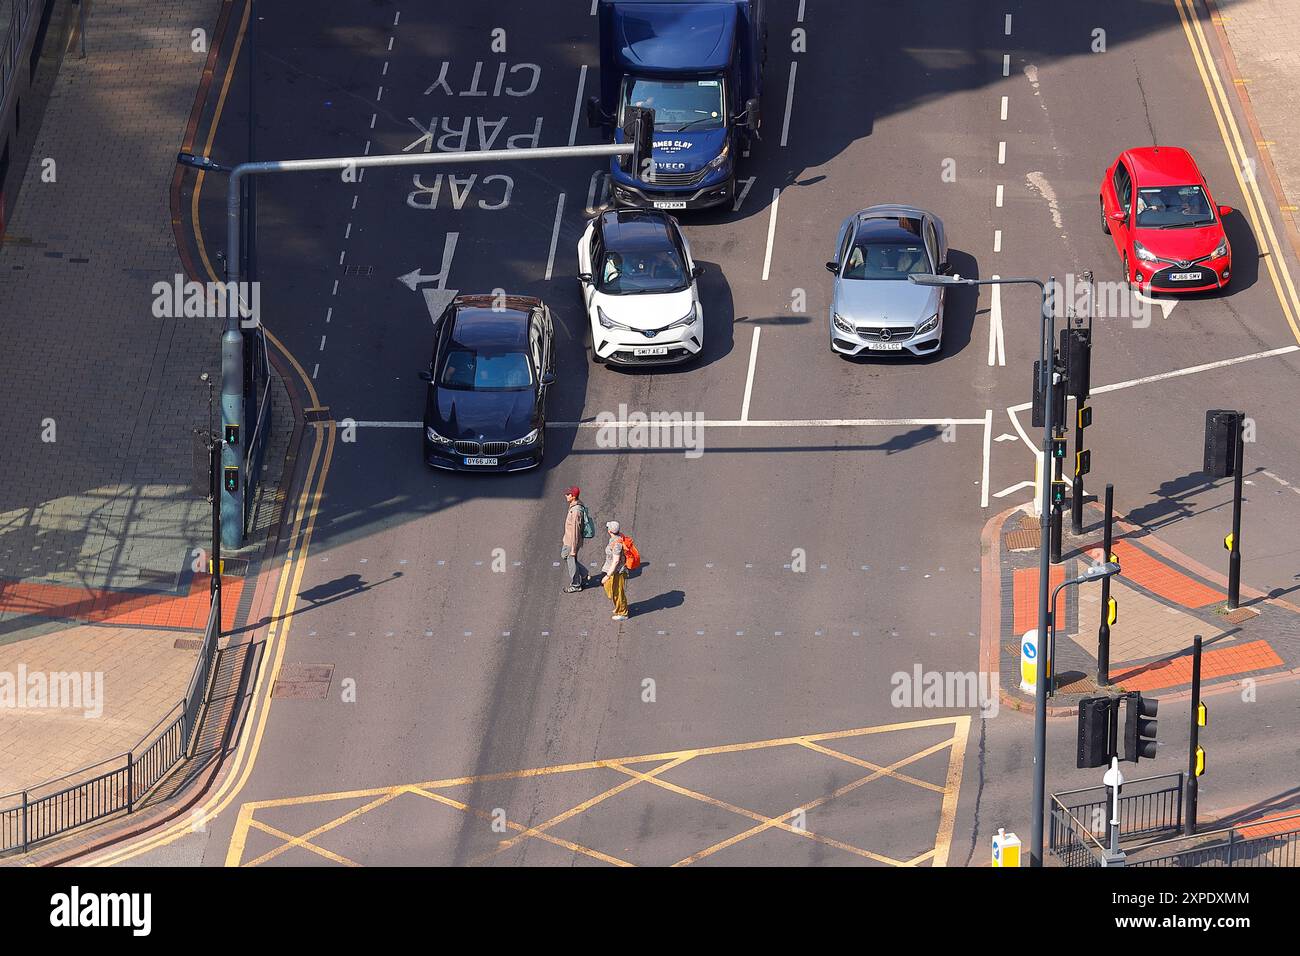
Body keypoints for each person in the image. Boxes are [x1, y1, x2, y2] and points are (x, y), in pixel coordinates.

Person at [561, 486, 590, 593]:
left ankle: (576, 584)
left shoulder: (576, 511)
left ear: (573, 496)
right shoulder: (575, 505)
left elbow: (575, 531)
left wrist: (573, 548)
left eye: (568, 494)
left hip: (571, 542)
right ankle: (583, 573)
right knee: (568, 558)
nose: (566, 495)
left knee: (570, 561)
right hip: (569, 540)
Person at [602, 520, 629, 621]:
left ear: (610, 531)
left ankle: (623, 613)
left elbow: (616, 561)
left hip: (617, 572)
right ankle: (620, 608)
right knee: (614, 591)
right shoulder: (617, 538)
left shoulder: (616, 543)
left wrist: (607, 576)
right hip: (614, 571)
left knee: (617, 592)